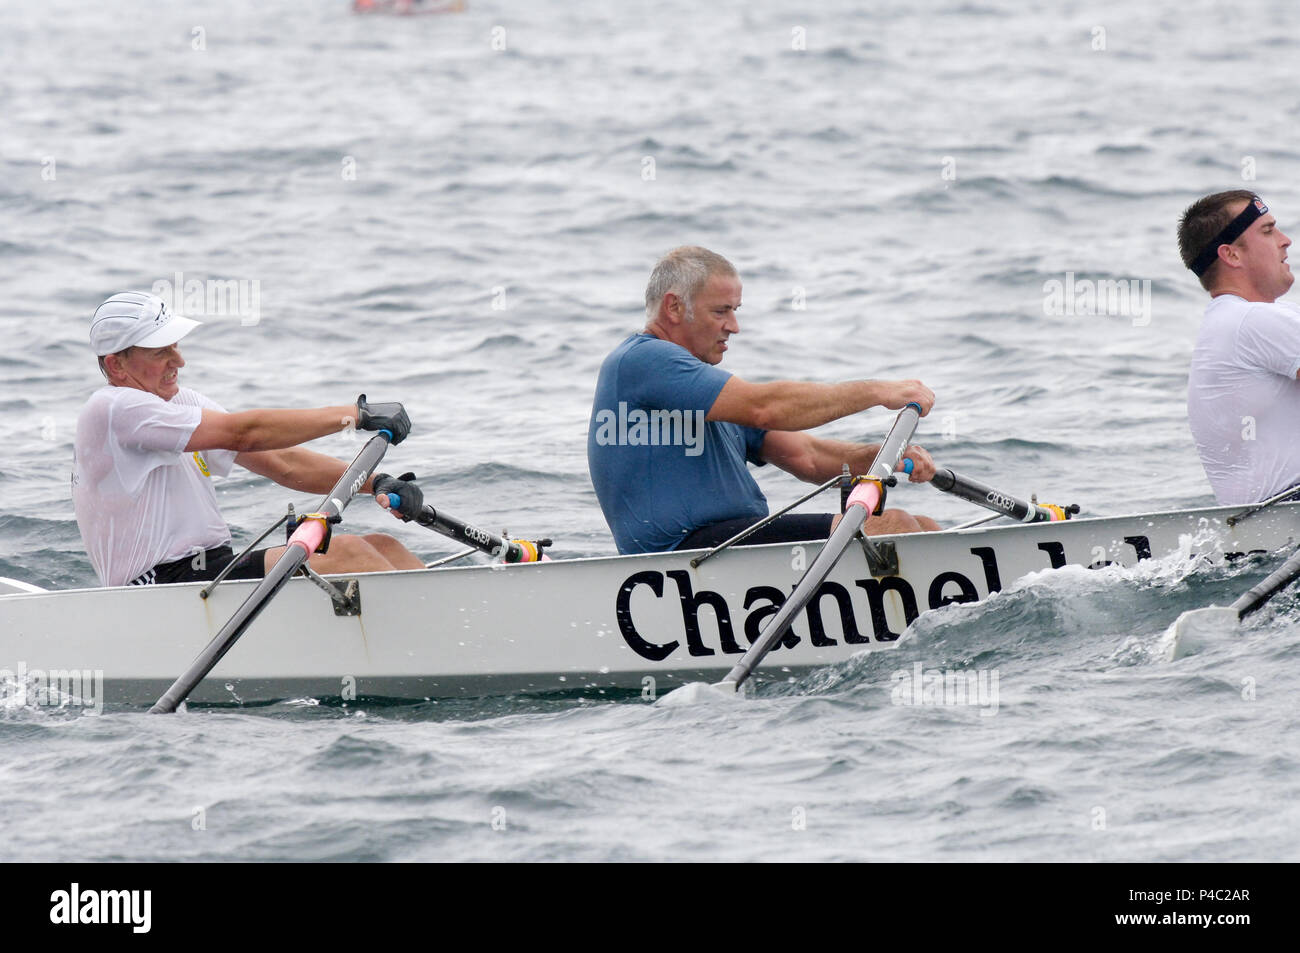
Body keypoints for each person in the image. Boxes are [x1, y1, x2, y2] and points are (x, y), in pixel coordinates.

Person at [587, 246, 941, 555]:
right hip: (682, 556)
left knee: (924, 528)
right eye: (721, 311)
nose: (734, 326)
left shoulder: (707, 391)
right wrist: (878, 392)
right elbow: (767, 407)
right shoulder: (641, 361)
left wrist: (885, 456)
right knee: (895, 528)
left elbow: (810, 458)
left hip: (730, 544)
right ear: (675, 307)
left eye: (736, 310)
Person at [73, 291, 427, 588]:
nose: (178, 360)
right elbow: (246, 431)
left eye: (175, 346)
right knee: (349, 554)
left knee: (384, 546)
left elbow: (283, 463)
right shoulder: (113, 408)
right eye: (159, 352)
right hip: (156, 587)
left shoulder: (179, 403)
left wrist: (377, 481)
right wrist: (356, 415)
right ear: (117, 366)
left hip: (211, 569)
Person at [1179, 191, 1298, 505]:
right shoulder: (1251, 321)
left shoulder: (1230, 321)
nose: (1285, 241)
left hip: (1262, 528)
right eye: (1268, 231)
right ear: (1231, 255)